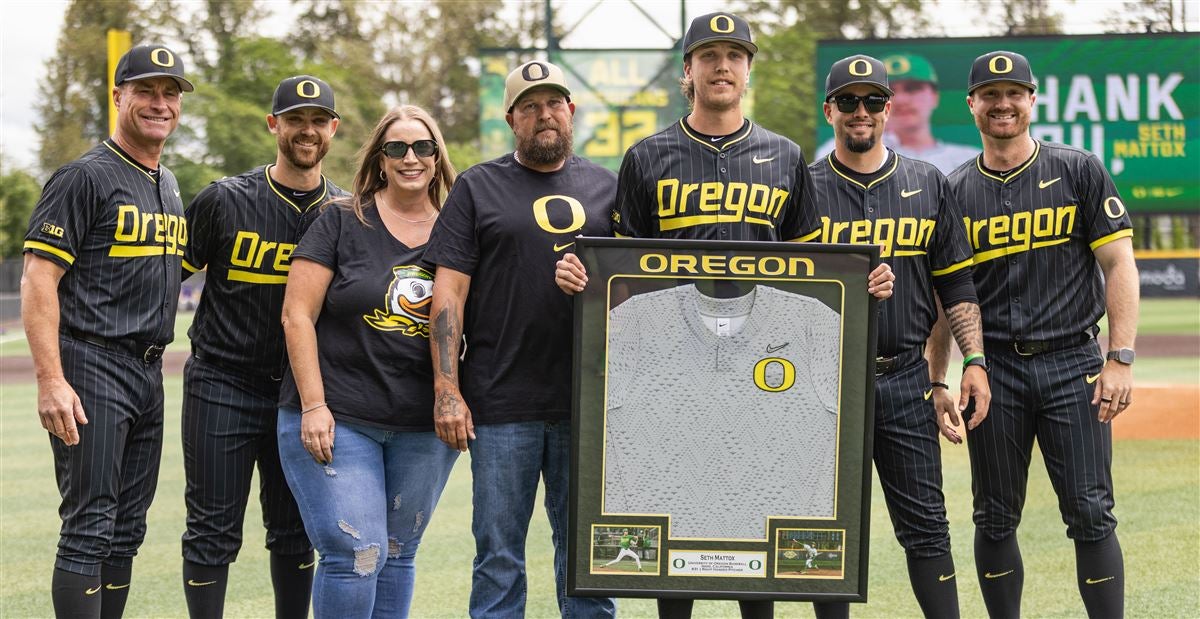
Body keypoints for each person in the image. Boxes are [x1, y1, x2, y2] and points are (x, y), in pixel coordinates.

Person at [555, 14, 894, 619]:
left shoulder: (785, 156)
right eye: (708, 55)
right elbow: (625, 274)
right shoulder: (647, 155)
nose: (721, 66)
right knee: (675, 503)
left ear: (747, 69)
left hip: (763, 364)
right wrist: (586, 283)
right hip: (671, 364)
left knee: (756, 507)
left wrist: (864, 282)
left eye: (734, 56)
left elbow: (814, 273)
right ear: (687, 71)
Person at [946, 51, 1139, 619]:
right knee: (995, 515)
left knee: (1089, 510)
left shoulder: (1078, 169)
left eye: (1013, 92)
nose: (1002, 103)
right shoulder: (953, 190)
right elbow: (944, 299)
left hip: (1071, 362)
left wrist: (1120, 357)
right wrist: (942, 377)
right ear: (972, 104)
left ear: (1032, 99)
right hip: (993, 369)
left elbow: (1119, 264)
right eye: (989, 93)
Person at [424, 60, 617, 618]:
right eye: (529, 106)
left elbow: (637, 289)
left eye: (553, 102)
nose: (544, 115)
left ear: (571, 110)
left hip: (587, 404)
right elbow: (448, 295)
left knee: (588, 558)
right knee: (498, 557)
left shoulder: (607, 186)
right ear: (511, 118)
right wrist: (446, 388)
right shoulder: (477, 187)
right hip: (502, 402)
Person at [807, 54, 991, 619]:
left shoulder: (926, 181)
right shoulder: (803, 187)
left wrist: (971, 363)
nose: (860, 112)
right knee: (824, 536)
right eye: (848, 102)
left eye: (872, 101)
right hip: (822, 381)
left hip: (904, 376)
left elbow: (955, 284)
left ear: (888, 109)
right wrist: (841, 283)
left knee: (927, 528)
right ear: (829, 110)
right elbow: (776, 286)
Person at [21, 43, 193, 618]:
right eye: (146, 90)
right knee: (90, 524)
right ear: (117, 95)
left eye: (170, 93)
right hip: (92, 362)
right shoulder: (83, 177)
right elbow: (38, 279)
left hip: (147, 370)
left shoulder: (167, 182)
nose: (159, 103)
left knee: (127, 528)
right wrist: (51, 379)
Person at [277, 105, 459, 618]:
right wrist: (313, 407)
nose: (410, 157)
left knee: (398, 555)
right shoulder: (339, 218)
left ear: (437, 156)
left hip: (421, 424)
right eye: (396, 147)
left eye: (422, 147)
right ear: (380, 159)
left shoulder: (459, 229)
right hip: (339, 416)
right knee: (357, 552)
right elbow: (296, 316)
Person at [178, 75, 345, 618]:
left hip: (301, 395)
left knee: (296, 531)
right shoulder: (224, 200)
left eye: (318, 120)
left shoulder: (347, 211)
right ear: (274, 124)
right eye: (295, 119)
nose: (307, 130)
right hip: (222, 383)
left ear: (333, 129)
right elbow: (163, 280)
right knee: (211, 529)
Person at [816, 52, 980, 174]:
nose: (901, 100)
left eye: (912, 88)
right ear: (828, 112)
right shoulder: (832, 152)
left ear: (934, 96)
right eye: (848, 101)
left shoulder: (968, 159)